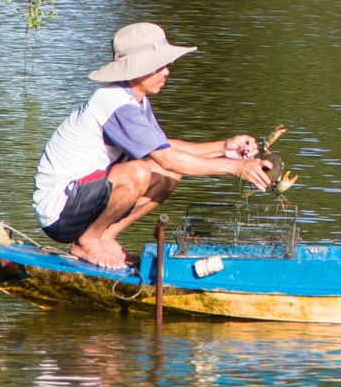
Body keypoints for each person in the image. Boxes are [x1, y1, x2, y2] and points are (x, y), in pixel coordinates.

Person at [32, 21, 274, 271]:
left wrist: (224, 148)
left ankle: (104, 236)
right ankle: (87, 241)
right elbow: (167, 156)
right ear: (135, 68)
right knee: (139, 171)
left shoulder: (135, 99)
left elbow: (164, 149)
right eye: (158, 66)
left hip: (85, 196)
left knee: (168, 173)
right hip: (59, 210)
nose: (167, 71)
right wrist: (236, 168)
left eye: (167, 64)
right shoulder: (115, 102)